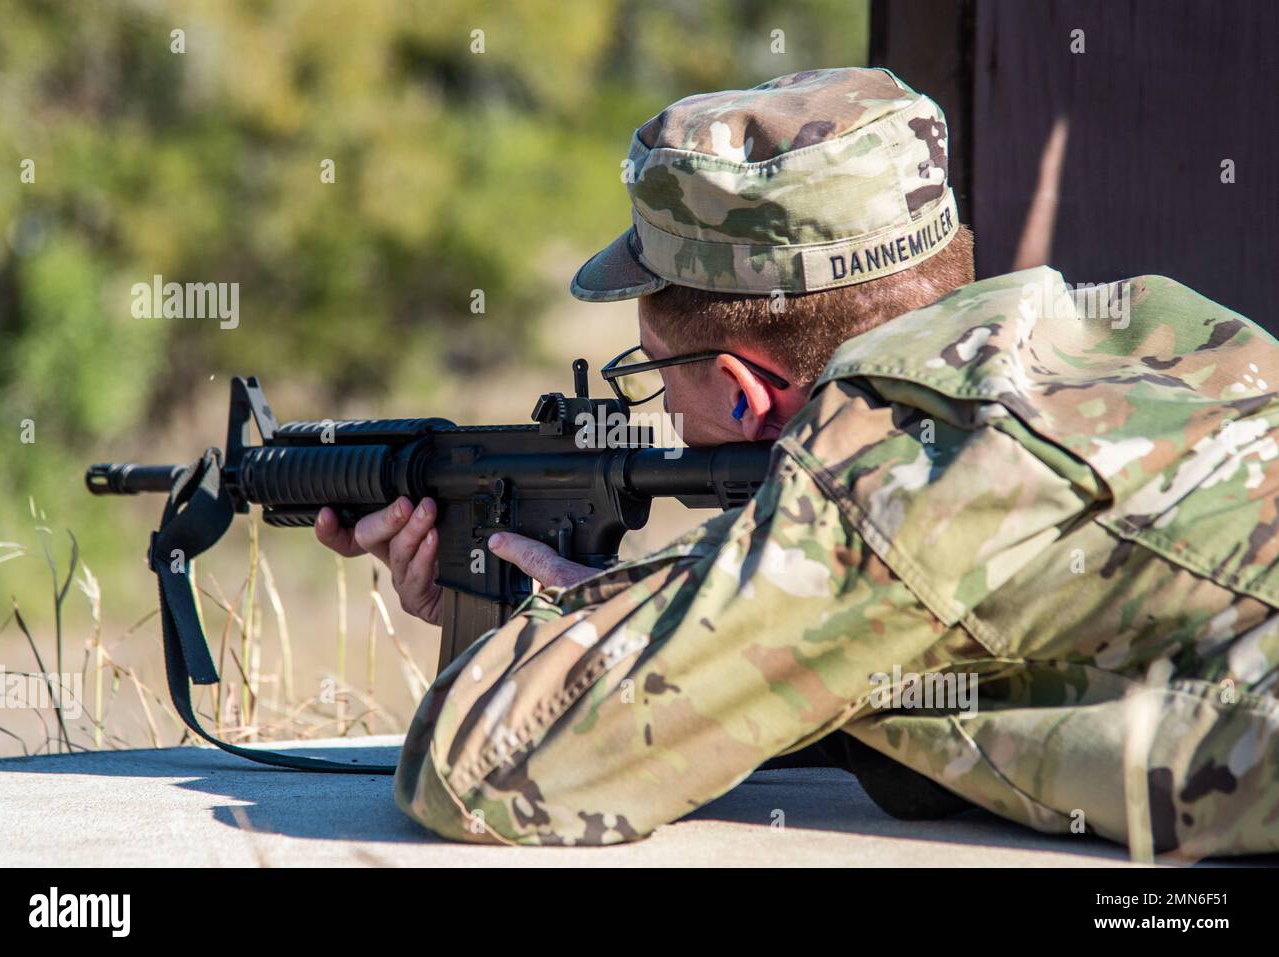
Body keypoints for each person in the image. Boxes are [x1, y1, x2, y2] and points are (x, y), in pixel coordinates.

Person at [316, 67, 1279, 856]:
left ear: (741, 390)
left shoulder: (882, 484)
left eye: (653, 373)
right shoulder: (1163, 326)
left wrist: (594, 608)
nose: (660, 409)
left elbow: (480, 775)